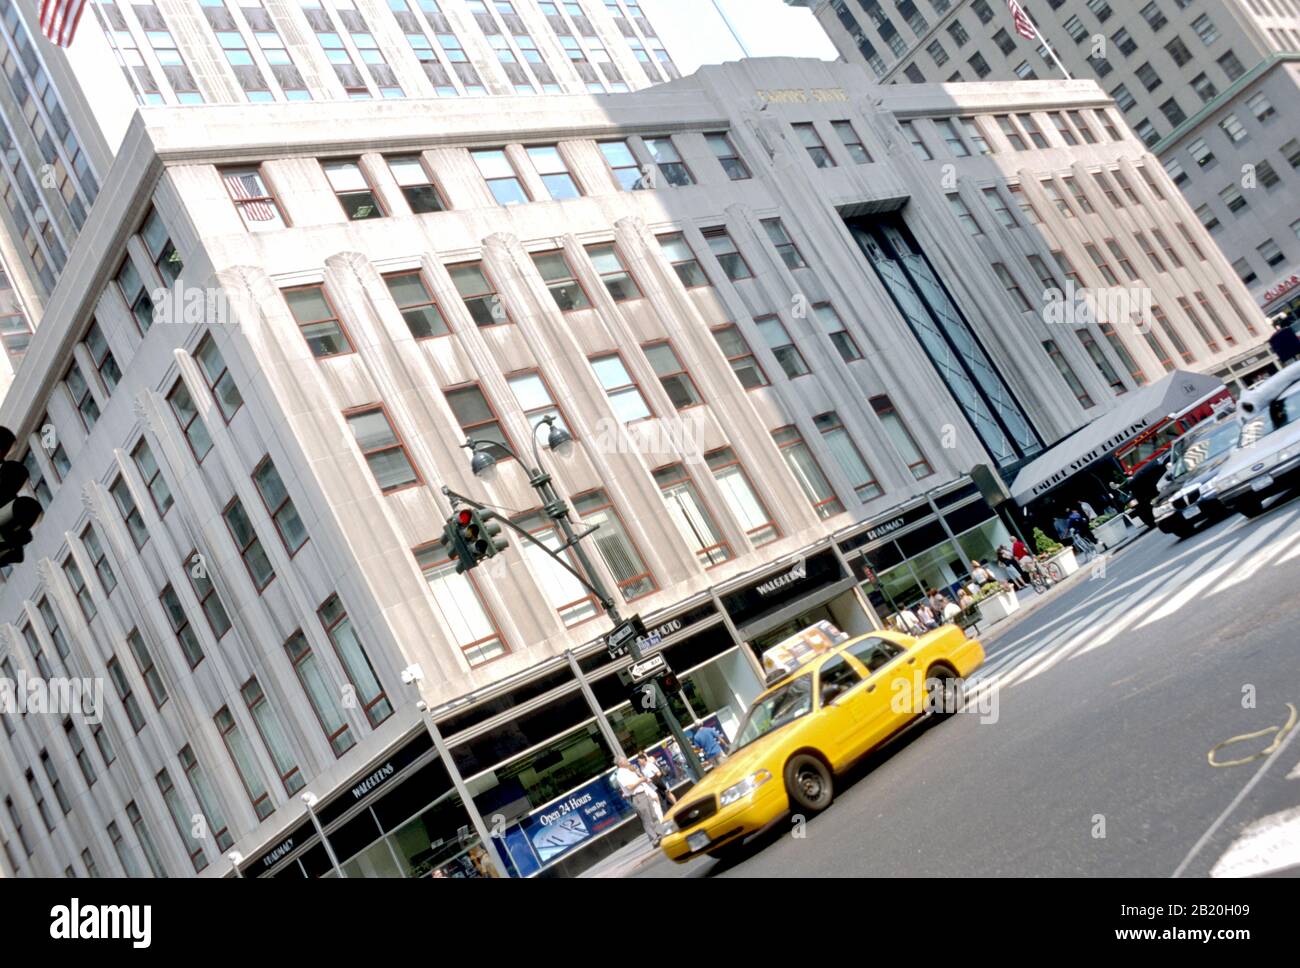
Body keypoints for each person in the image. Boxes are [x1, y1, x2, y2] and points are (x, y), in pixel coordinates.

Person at [616, 756, 662, 848]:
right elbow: (629, 787)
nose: (627, 761)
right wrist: (641, 780)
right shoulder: (620, 774)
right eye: (625, 760)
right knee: (646, 818)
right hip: (637, 797)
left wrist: (641, 778)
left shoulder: (628, 770)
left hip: (643, 793)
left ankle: (660, 834)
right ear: (620, 763)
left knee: (653, 815)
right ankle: (654, 839)